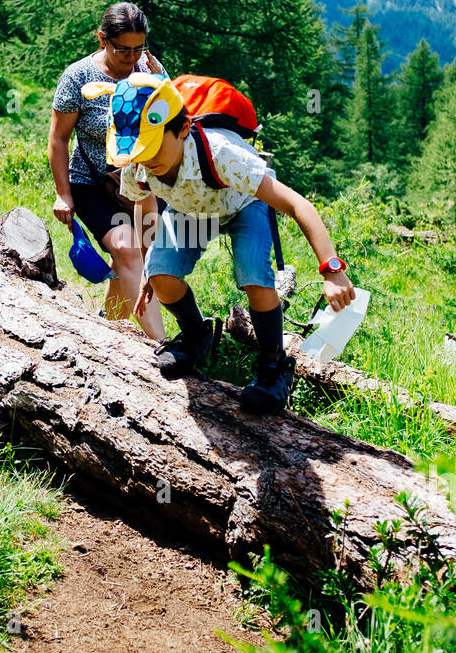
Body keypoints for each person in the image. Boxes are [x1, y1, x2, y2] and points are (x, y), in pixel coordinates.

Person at [78, 72, 356, 414]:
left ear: (181, 129)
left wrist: (332, 269)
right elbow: (144, 205)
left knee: (254, 275)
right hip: (190, 210)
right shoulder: (138, 164)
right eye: (137, 152)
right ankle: (196, 337)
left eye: (152, 147)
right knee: (163, 276)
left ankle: (274, 367)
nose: (145, 160)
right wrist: (149, 265)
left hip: (241, 205)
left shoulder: (222, 155)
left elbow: (297, 204)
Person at [50, 2, 166, 340]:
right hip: (92, 185)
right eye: (122, 50)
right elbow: (58, 138)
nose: (132, 58)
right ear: (102, 39)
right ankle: (162, 345)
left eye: (138, 48)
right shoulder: (78, 76)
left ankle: (110, 328)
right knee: (128, 250)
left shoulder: (151, 71)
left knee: (143, 258)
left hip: (143, 186)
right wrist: (63, 194)